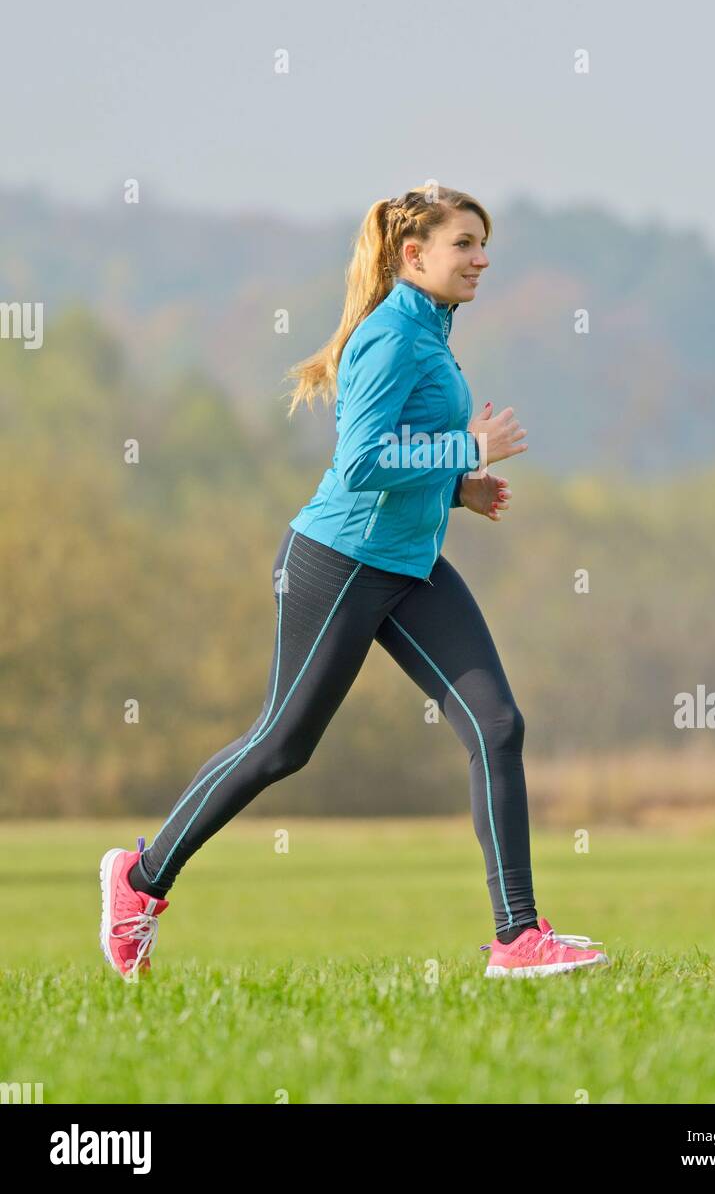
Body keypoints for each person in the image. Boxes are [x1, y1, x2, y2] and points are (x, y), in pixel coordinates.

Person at [99, 185, 609, 981]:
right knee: (281, 745)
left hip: (409, 568)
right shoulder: (391, 337)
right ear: (415, 255)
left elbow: (404, 451)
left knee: (496, 725)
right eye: (465, 244)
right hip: (339, 564)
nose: (482, 259)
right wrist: (465, 451)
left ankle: (518, 937)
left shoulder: (433, 333)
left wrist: (454, 490)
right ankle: (139, 880)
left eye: (484, 245)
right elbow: (363, 461)